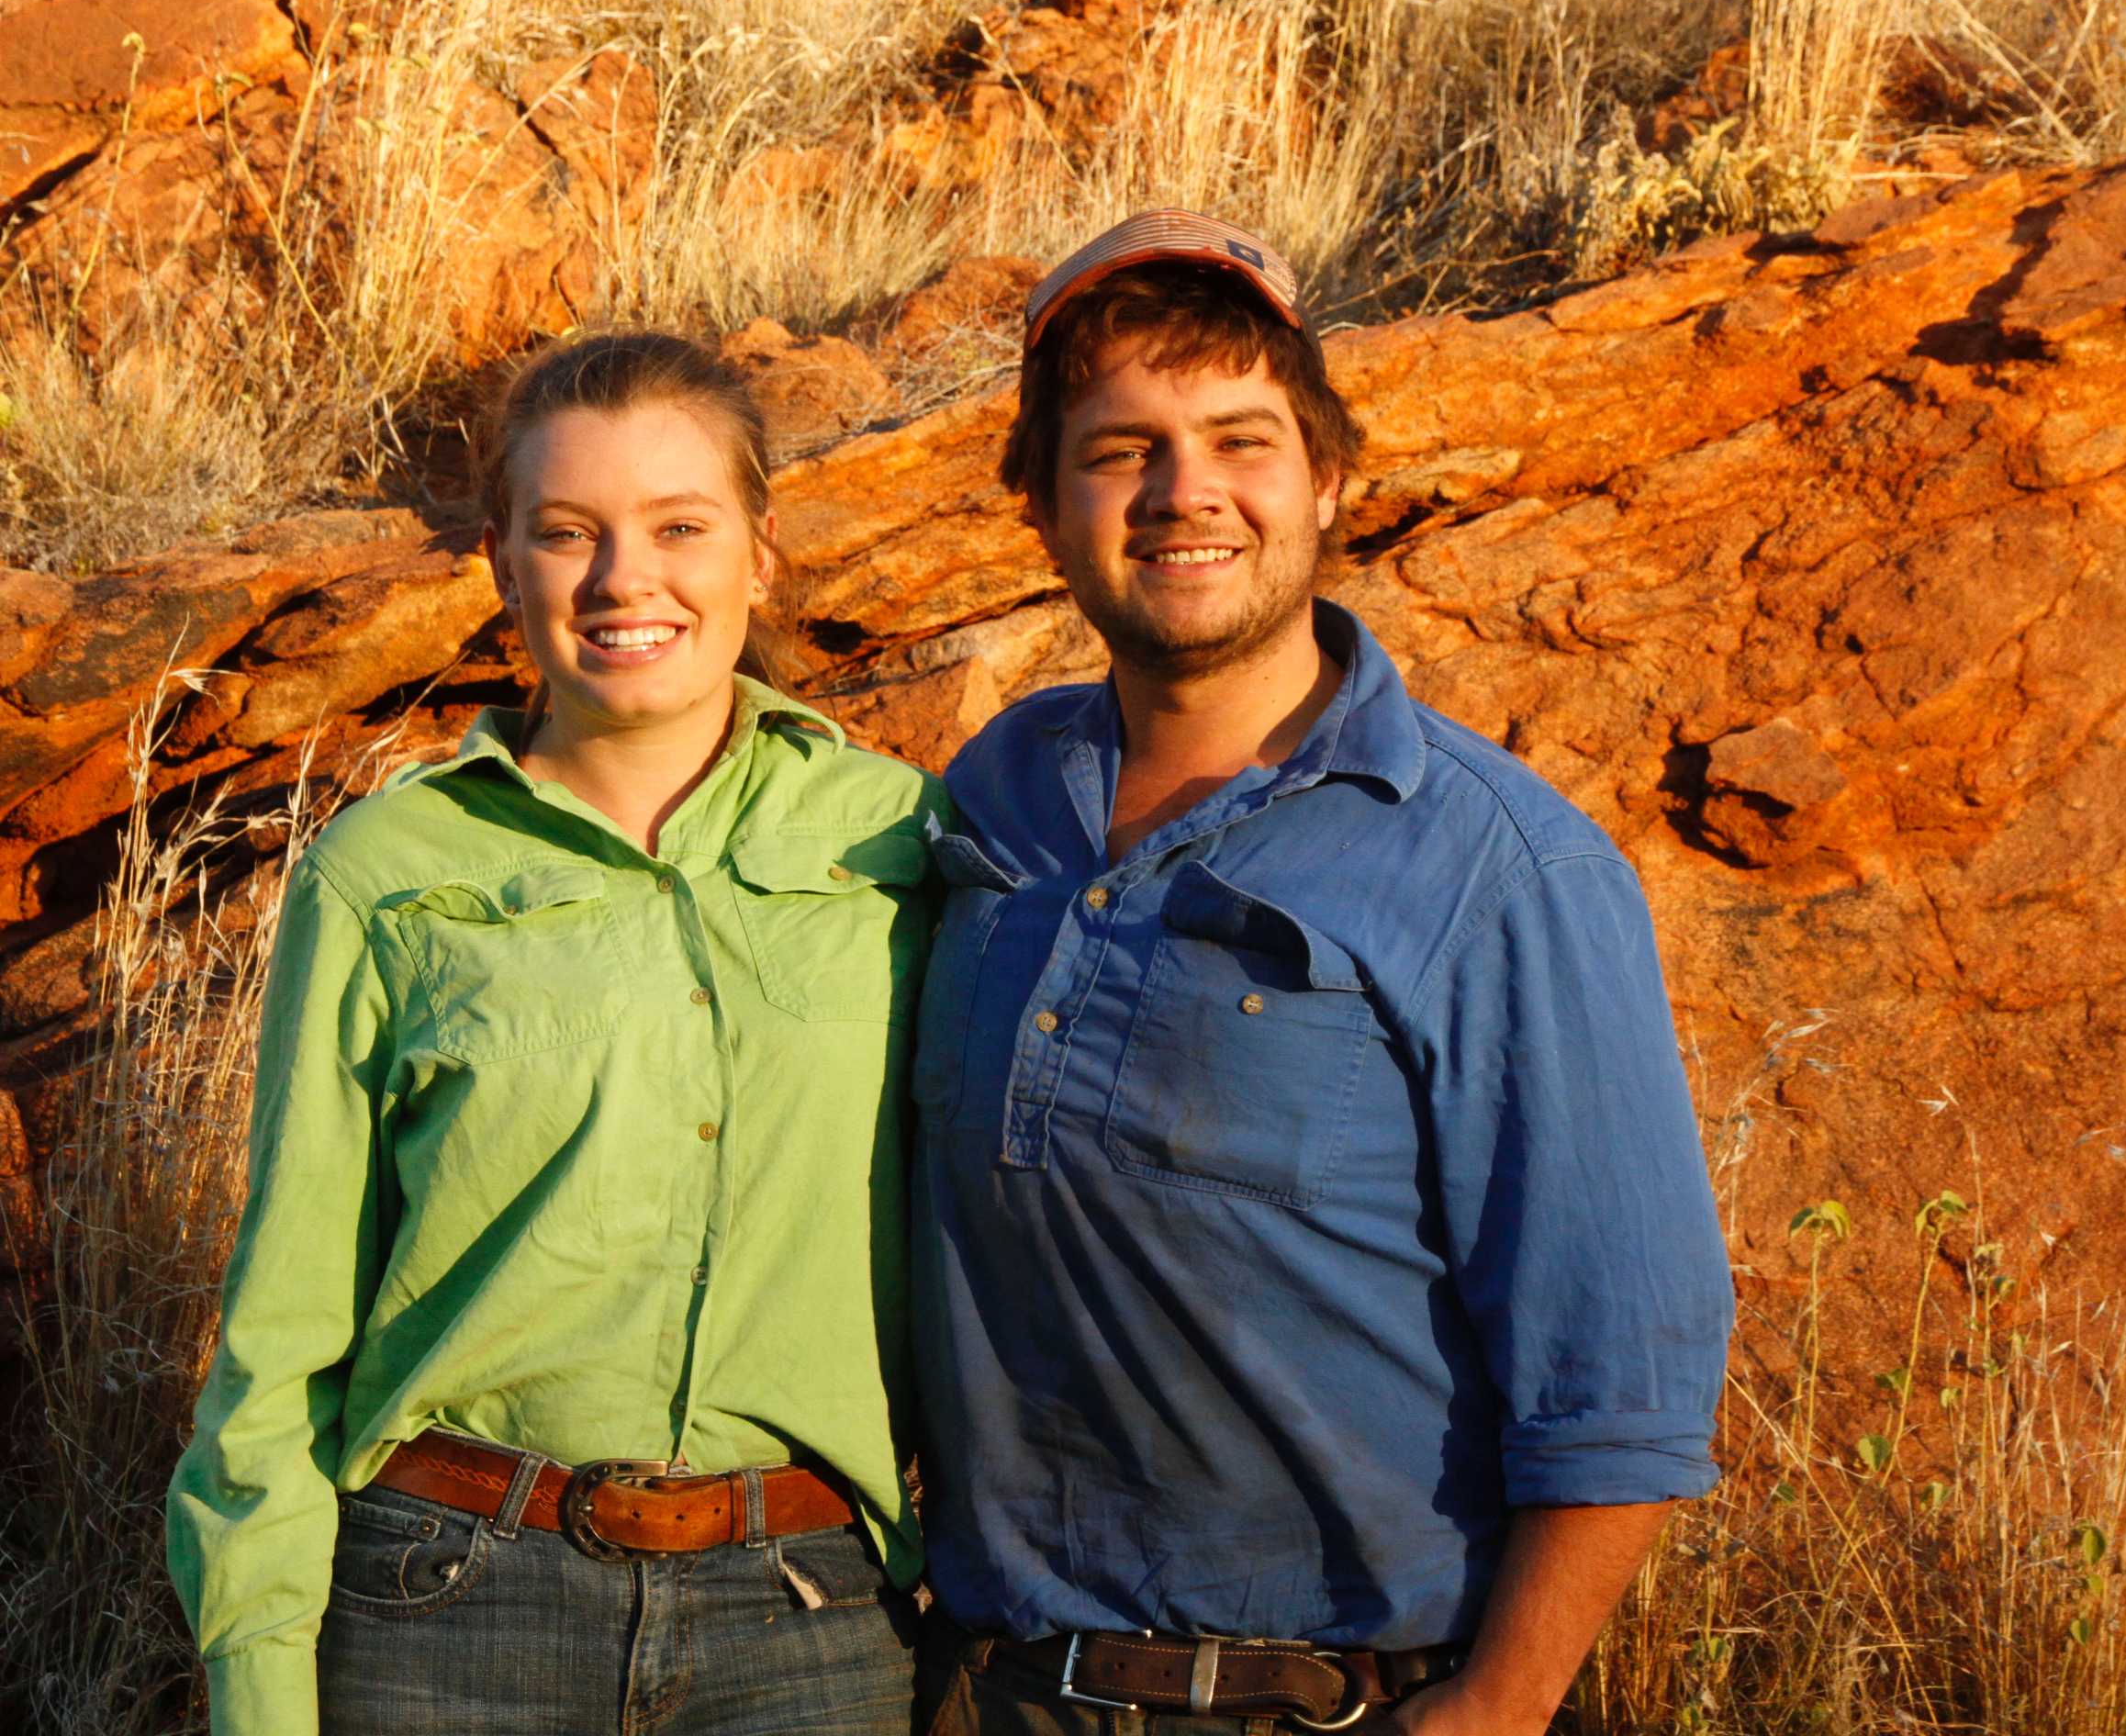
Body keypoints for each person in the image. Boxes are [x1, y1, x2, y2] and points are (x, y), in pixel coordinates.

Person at [910, 209, 1737, 1734]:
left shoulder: (1496, 868)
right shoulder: (993, 806)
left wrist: (1497, 1708)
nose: (1185, 494)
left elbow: (1624, 1368)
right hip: (992, 1690)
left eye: (1242, 439)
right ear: (1036, 503)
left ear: (1327, 481)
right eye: (1118, 450)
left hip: (1326, 1705)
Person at [167, 331, 950, 1735]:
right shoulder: (384, 872)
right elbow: (281, 1330)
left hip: (812, 1625)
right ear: (500, 562)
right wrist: (259, 1680)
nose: (624, 579)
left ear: (759, 556)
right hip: (448, 1605)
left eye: (679, 527)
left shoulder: (898, 841)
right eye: (569, 533)